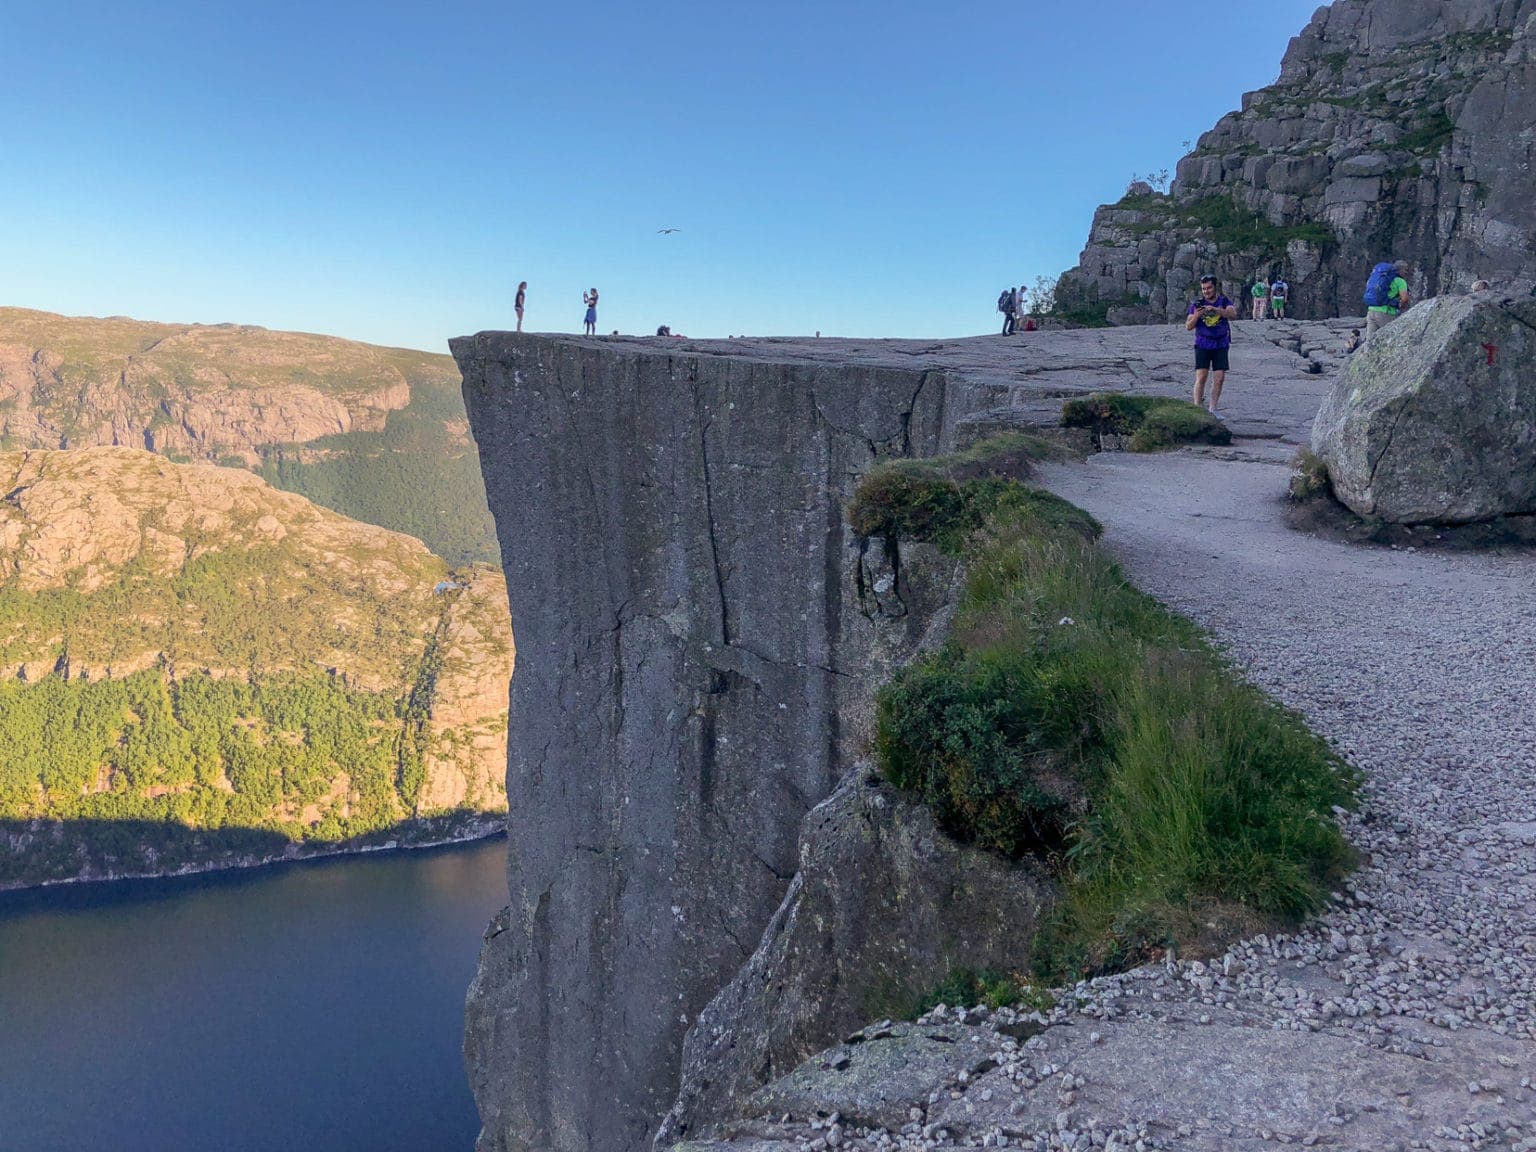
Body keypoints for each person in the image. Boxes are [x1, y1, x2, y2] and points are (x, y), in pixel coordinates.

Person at [1185, 275, 1238, 418]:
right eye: (1203, 289)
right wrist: (1197, 315)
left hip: (1221, 344)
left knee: (1219, 377)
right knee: (1201, 376)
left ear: (1215, 287)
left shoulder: (1224, 301)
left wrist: (1216, 310)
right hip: (1202, 343)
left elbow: (1233, 314)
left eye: (1209, 288)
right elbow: (1188, 326)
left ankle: (1213, 409)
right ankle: (1197, 408)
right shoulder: (1197, 304)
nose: (1206, 291)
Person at [1364, 262, 1410, 341]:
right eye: (1406, 270)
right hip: (1386, 312)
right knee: (1391, 339)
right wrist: (1400, 306)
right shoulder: (1400, 281)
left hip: (1371, 310)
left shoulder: (1379, 277)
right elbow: (1404, 298)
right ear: (1400, 270)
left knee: (1370, 340)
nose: (1407, 272)